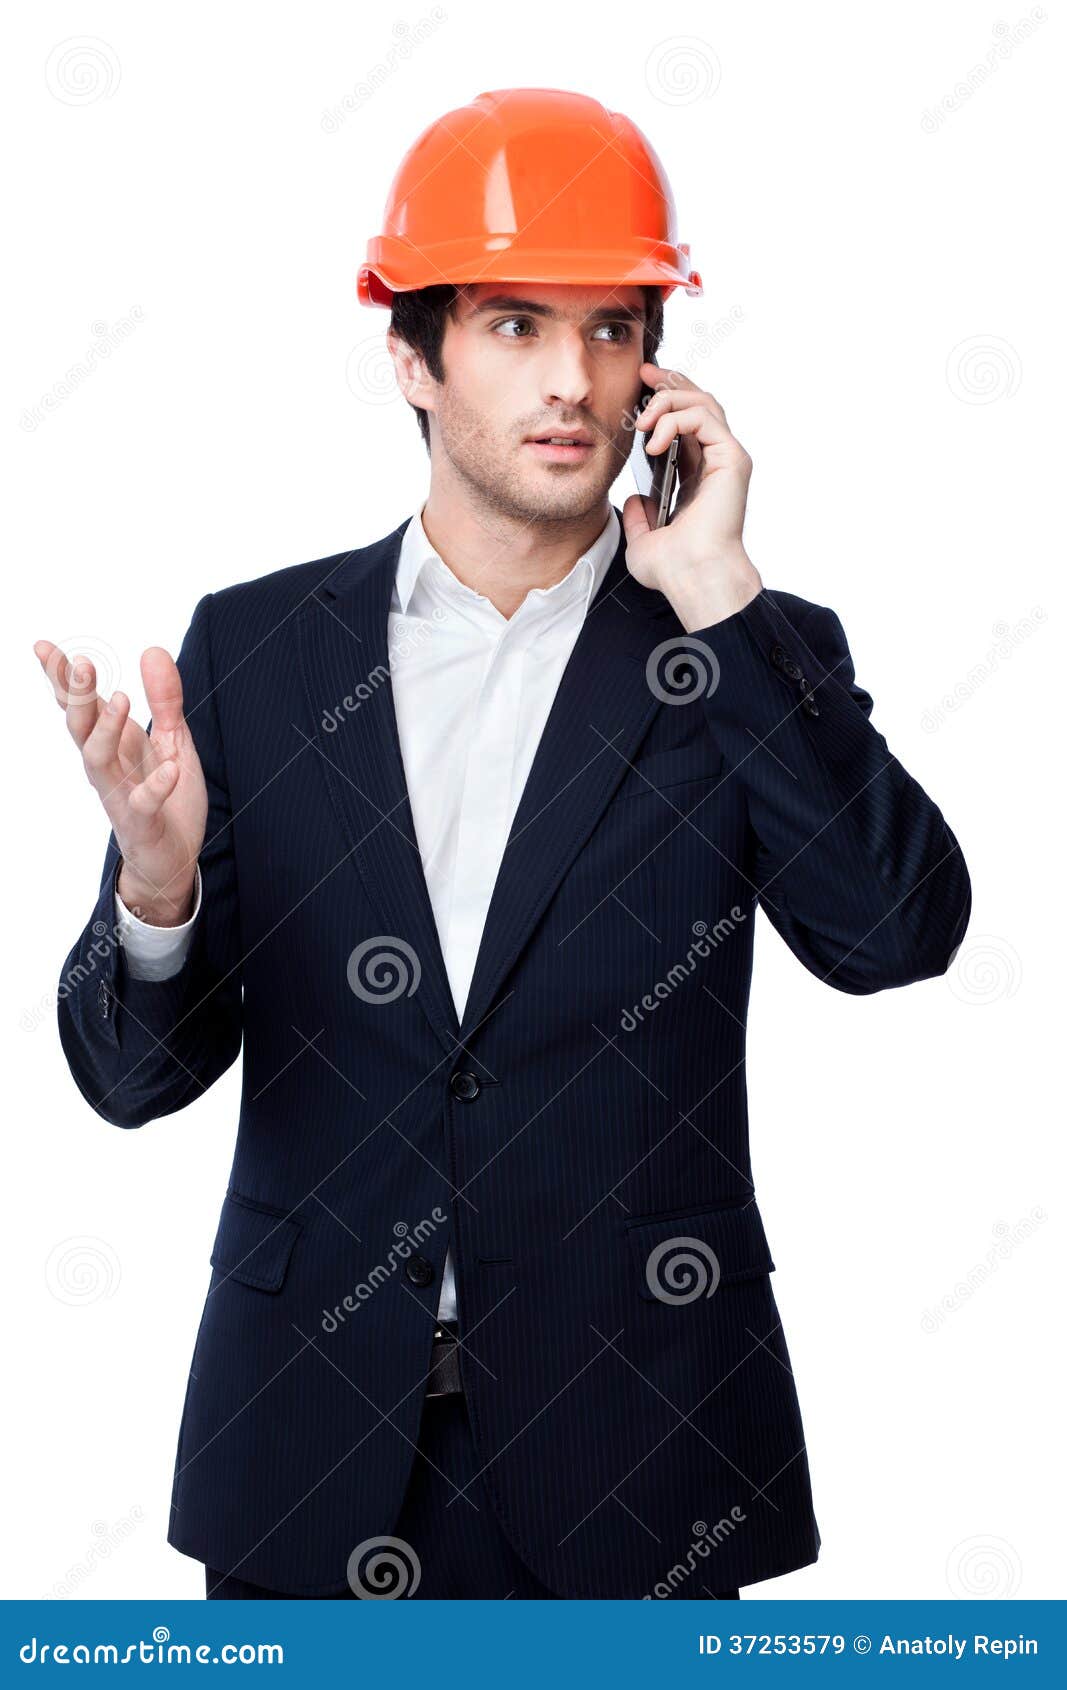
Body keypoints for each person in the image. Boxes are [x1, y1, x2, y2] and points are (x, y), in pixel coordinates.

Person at [38, 89, 971, 1600]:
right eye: (517, 325)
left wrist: (720, 594)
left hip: (645, 1456)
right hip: (310, 1451)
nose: (574, 382)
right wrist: (159, 886)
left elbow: (897, 932)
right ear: (410, 354)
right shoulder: (258, 651)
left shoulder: (738, 647)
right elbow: (132, 1077)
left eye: (613, 329)